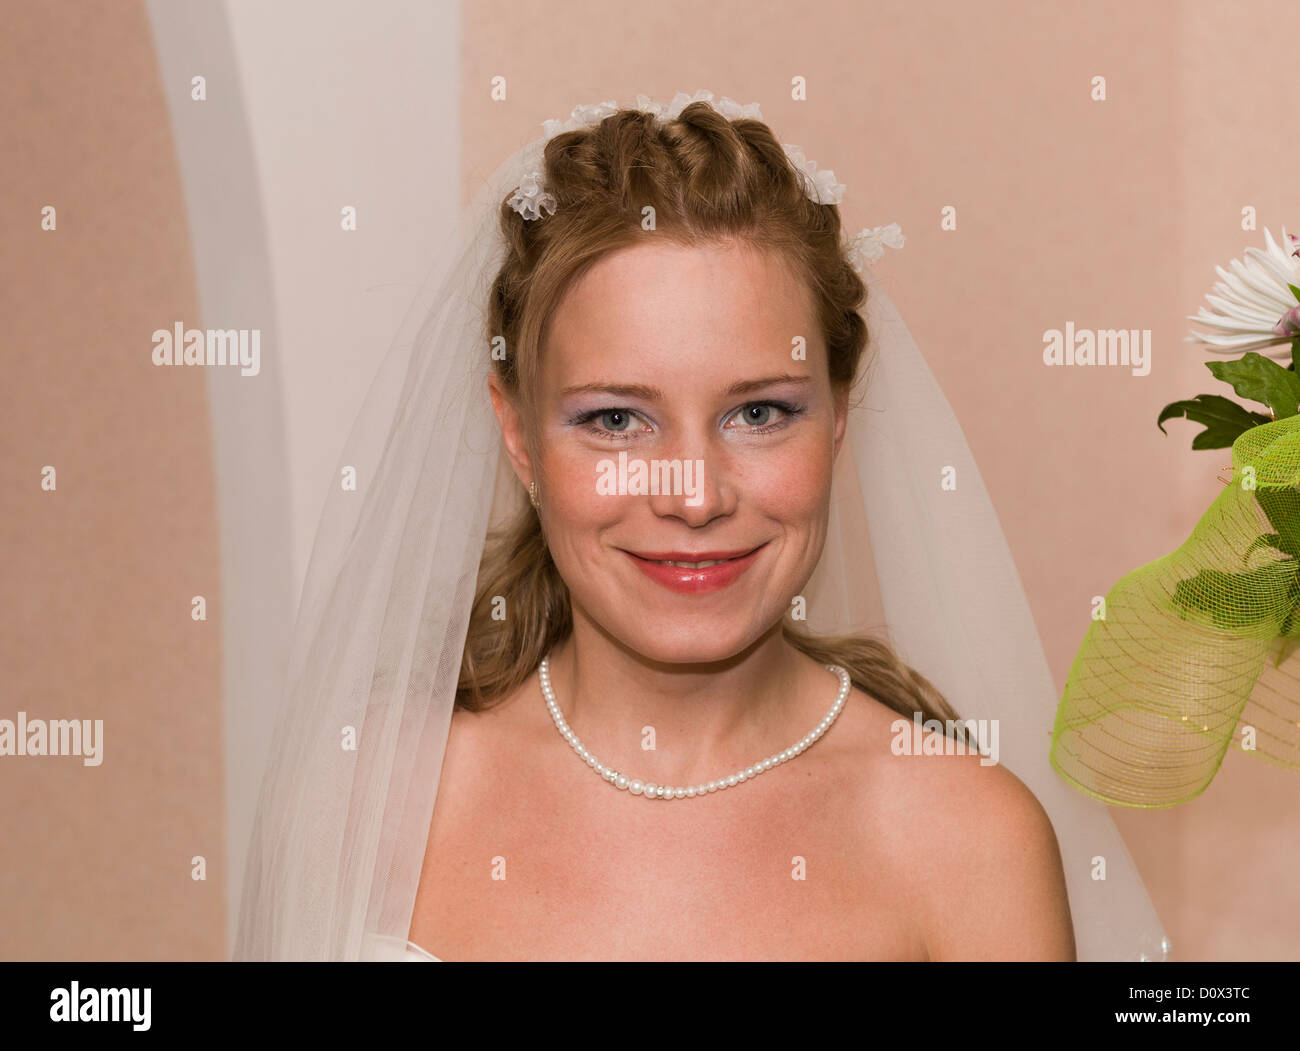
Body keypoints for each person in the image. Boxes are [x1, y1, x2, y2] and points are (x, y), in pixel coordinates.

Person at [234, 91, 1167, 962]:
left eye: (758, 412)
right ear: (516, 432)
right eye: (614, 419)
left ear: (839, 415)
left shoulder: (969, 842)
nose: (694, 495)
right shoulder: (365, 799)